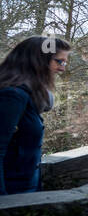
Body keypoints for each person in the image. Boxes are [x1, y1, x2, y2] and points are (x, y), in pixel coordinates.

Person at [0, 35, 71, 196]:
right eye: (59, 61)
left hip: (26, 186)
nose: (63, 68)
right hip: (12, 191)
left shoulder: (28, 95)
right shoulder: (12, 95)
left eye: (65, 62)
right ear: (38, 61)